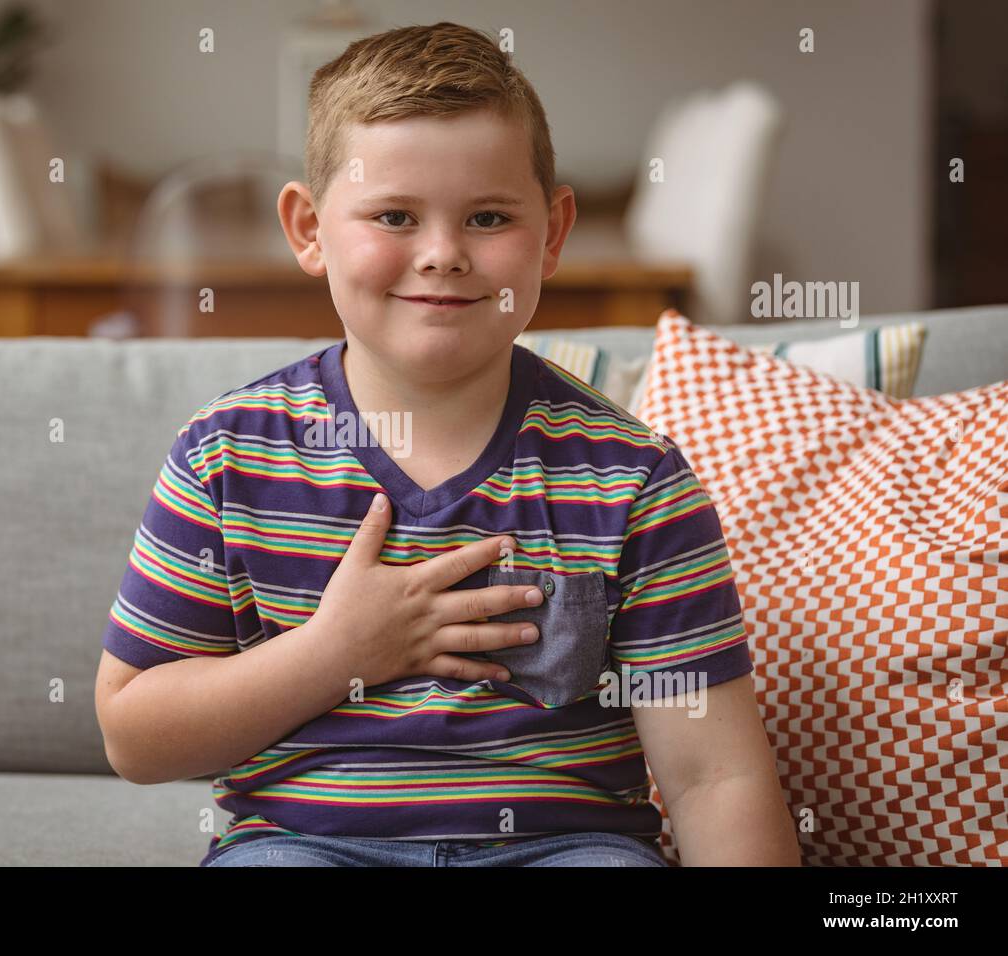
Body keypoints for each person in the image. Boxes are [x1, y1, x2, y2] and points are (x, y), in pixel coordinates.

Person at [95, 21, 801, 867]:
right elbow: (135, 737)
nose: (442, 255)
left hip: (564, 849)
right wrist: (335, 653)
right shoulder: (224, 456)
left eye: (488, 217)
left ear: (553, 230)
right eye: (394, 215)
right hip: (303, 846)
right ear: (310, 228)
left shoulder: (635, 478)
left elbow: (714, 778)